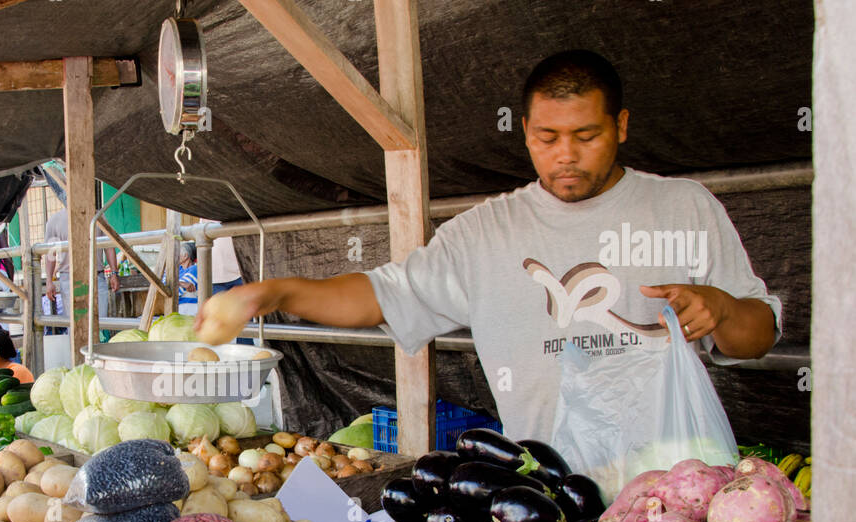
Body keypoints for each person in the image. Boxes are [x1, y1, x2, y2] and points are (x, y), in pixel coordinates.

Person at [196, 50, 779, 442]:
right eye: (548, 137)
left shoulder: (685, 208)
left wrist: (724, 309)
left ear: (621, 127)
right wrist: (272, 292)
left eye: (588, 135)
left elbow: (757, 337)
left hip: (673, 494)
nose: (566, 155)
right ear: (525, 131)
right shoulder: (485, 233)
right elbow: (380, 296)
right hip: (553, 499)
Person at [42, 206, 116, 335]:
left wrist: (114, 273)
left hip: (96, 276)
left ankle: (97, 353)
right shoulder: (55, 221)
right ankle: (78, 354)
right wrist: (49, 280)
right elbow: (50, 254)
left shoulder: (98, 217)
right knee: (75, 326)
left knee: (100, 324)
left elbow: (109, 247)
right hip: (69, 279)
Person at [175, 241, 199, 314]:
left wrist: (178, 283)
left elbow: (177, 291)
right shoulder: (178, 269)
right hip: (178, 308)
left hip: (190, 308)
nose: (175, 255)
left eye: (177, 253)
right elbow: (163, 283)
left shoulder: (194, 269)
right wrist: (182, 283)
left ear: (185, 255)